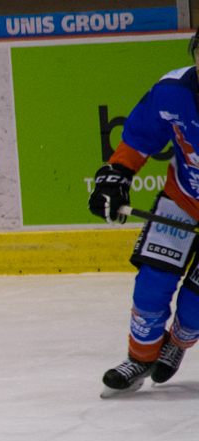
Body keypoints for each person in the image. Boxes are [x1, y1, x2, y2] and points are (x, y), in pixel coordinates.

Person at [88, 33, 199, 397]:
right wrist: (116, 176)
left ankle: (177, 343)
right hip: (182, 198)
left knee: (195, 304)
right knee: (151, 284)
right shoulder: (173, 92)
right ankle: (139, 358)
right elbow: (138, 136)